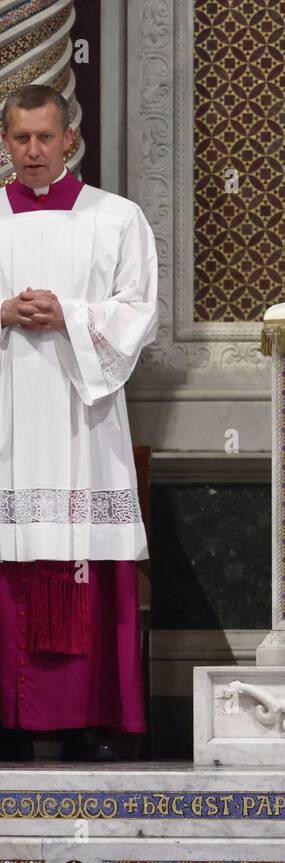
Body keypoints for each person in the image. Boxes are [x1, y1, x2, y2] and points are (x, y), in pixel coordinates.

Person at [0, 84, 158, 760]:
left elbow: (138, 311)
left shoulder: (116, 218)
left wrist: (68, 312)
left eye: (45, 137)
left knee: (89, 557)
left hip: (84, 424)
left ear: (71, 139)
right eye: (19, 138)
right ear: (5, 142)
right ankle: (12, 718)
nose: (32, 151)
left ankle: (91, 718)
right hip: (8, 419)